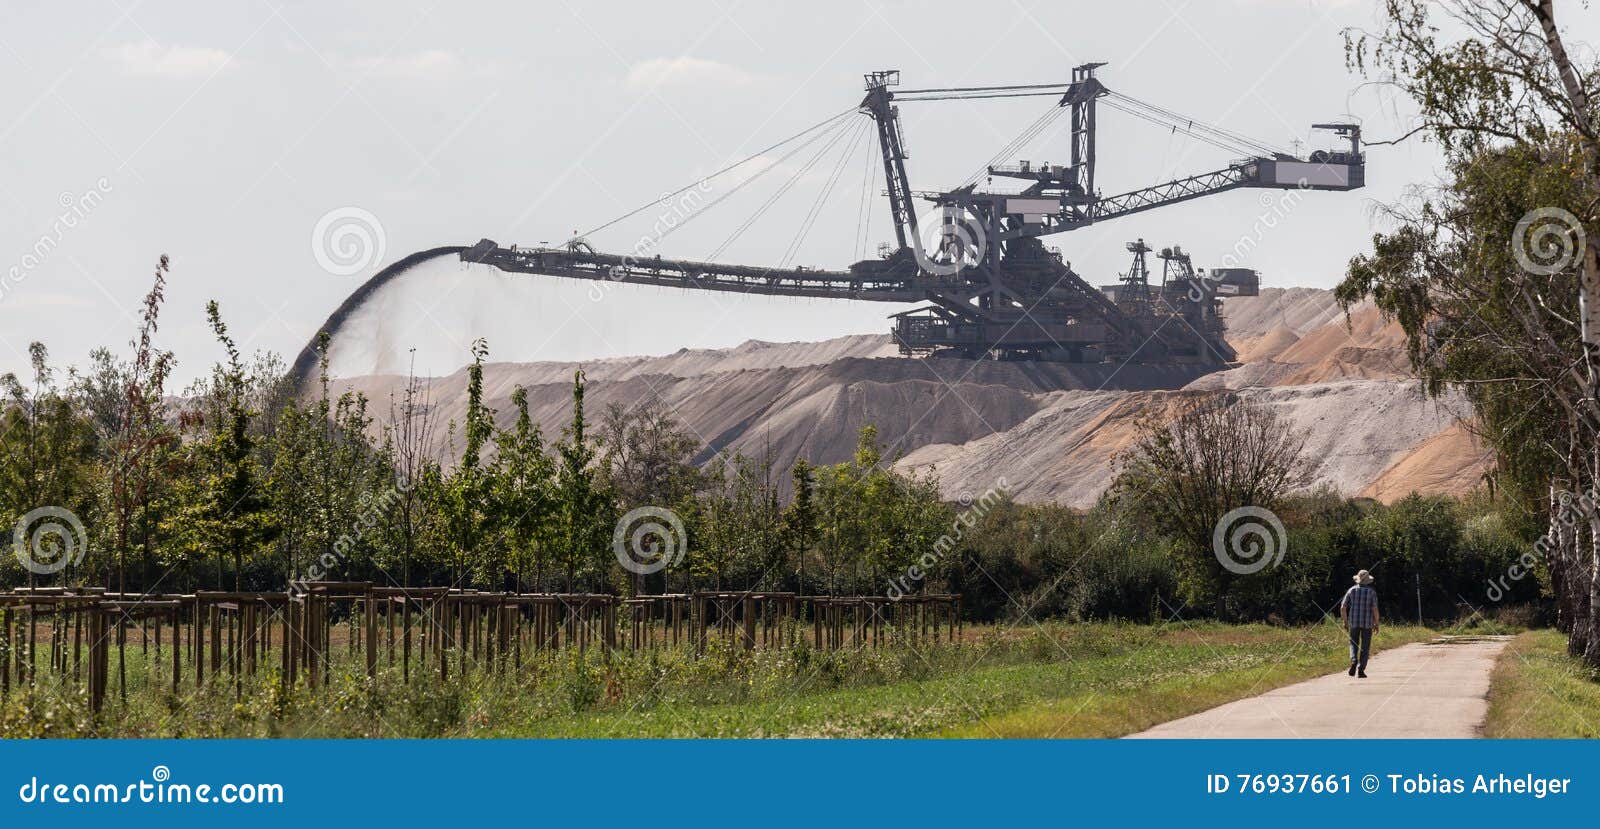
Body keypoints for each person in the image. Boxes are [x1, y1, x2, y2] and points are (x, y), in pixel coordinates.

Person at [1339, 569, 1380, 678]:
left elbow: (1343, 607)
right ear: (1368, 581)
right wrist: (1376, 623)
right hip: (1367, 623)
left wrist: (1345, 621)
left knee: (1353, 643)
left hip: (1353, 622)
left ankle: (1353, 660)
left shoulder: (1351, 590)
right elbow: (1375, 609)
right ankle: (1361, 669)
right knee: (1365, 646)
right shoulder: (1371, 592)